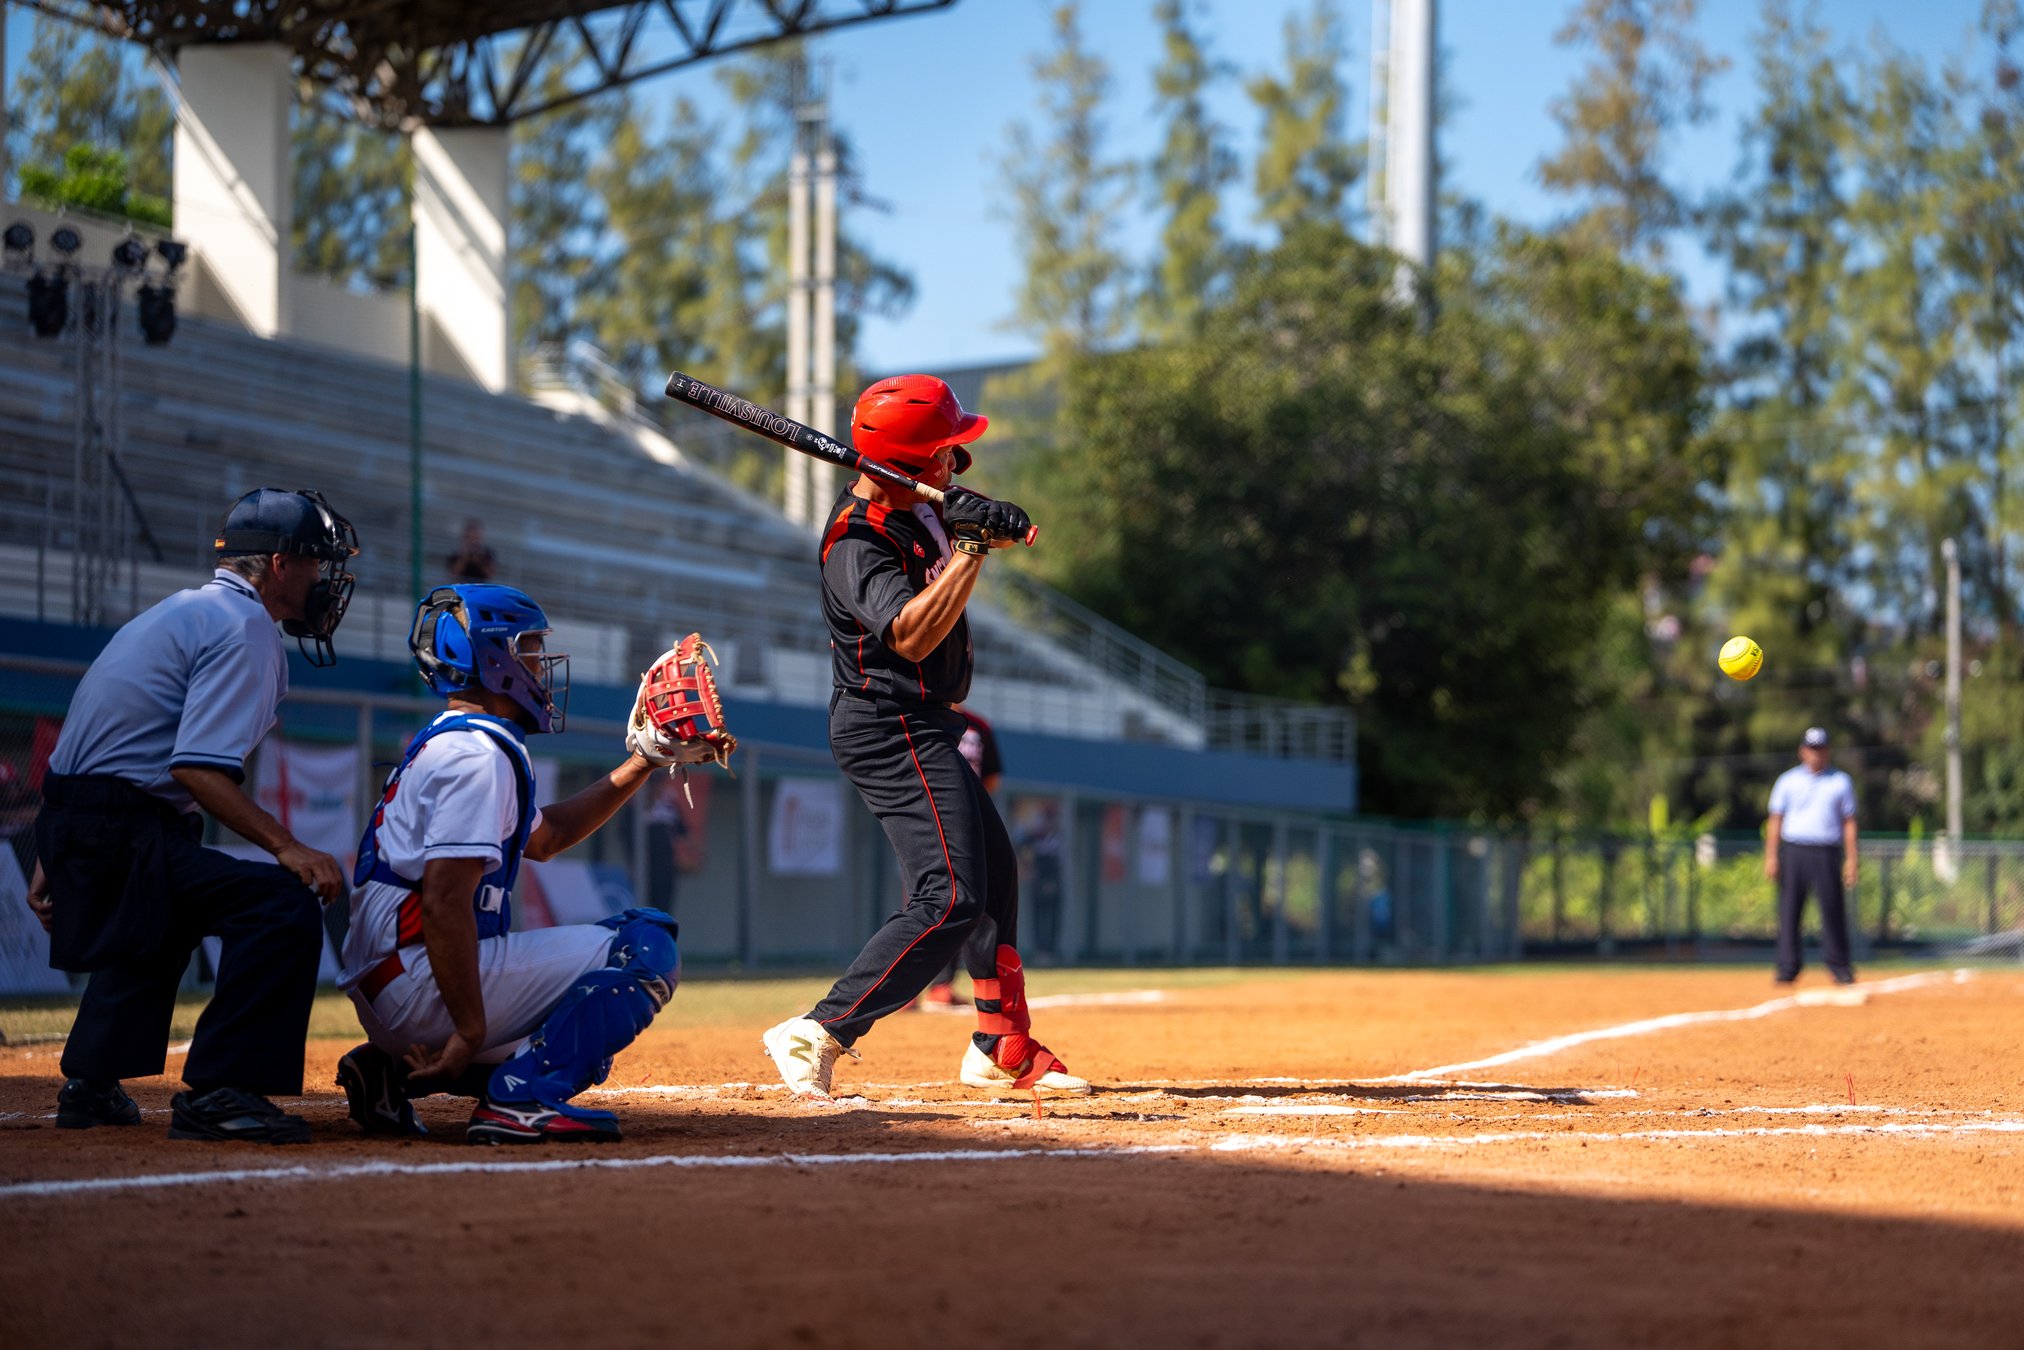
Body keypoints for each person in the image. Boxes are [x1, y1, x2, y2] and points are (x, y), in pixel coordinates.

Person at [760, 375, 1088, 1098]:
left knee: (996, 877)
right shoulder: (856, 543)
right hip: (886, 726)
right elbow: (908, 635)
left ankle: (999, 1044)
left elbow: (957, 509)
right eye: (945, 451)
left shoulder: (919, 506)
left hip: (928, 722)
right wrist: (972, 547)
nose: (956, 462)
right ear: (912, 463)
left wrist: (978, 527)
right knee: (950, 896)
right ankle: (819, 1029)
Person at [25, 488, 359, 1143]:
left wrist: (49, 844)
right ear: (280, 562)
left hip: (86, 819)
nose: (325, 580)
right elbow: (197, 769)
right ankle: (223, 1092)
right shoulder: (245, 629)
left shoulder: (178, 612)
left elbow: (92, 737)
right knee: (280, 905)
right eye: (318, 563)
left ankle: (91, 1085)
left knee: (166, 911)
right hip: (119, 827)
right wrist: (289, 848)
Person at [334, 584, 709, 1144]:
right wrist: (468, 1028)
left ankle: (388, 1072)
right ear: (492, 658)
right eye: (529, 649)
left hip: (393, 984)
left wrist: (643, 761)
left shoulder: (455, 739)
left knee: (577, 1028)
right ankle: (518, 1103)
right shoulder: (477, 757)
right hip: (417, 983)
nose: (540, 665)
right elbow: (442, 901)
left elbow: (548, 836)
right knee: (644, 948)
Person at [918, 704, 1003, 1009]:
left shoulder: (978, 724)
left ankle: (942, 984)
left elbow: (992, 774)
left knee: (964, 898)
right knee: (927, 897)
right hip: (928, 814)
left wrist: (973, 802)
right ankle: (908, 987)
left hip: (967, 819)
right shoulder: (921, 711)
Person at [1766, 726, 1859, 986]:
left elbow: (1849, 822)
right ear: (1802, 752)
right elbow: (1776, 819)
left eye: (1820, 749)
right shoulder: (1787, 781)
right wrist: (1771, 856)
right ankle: (1787, 967)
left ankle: (1839, 966)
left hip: (1827, 850)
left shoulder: (1840, 782)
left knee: (1832, 909)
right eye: (1811, 749)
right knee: (1789, 910)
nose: (1816, 755)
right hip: (1794, 850)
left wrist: (1852, 859)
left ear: (1827, 752)